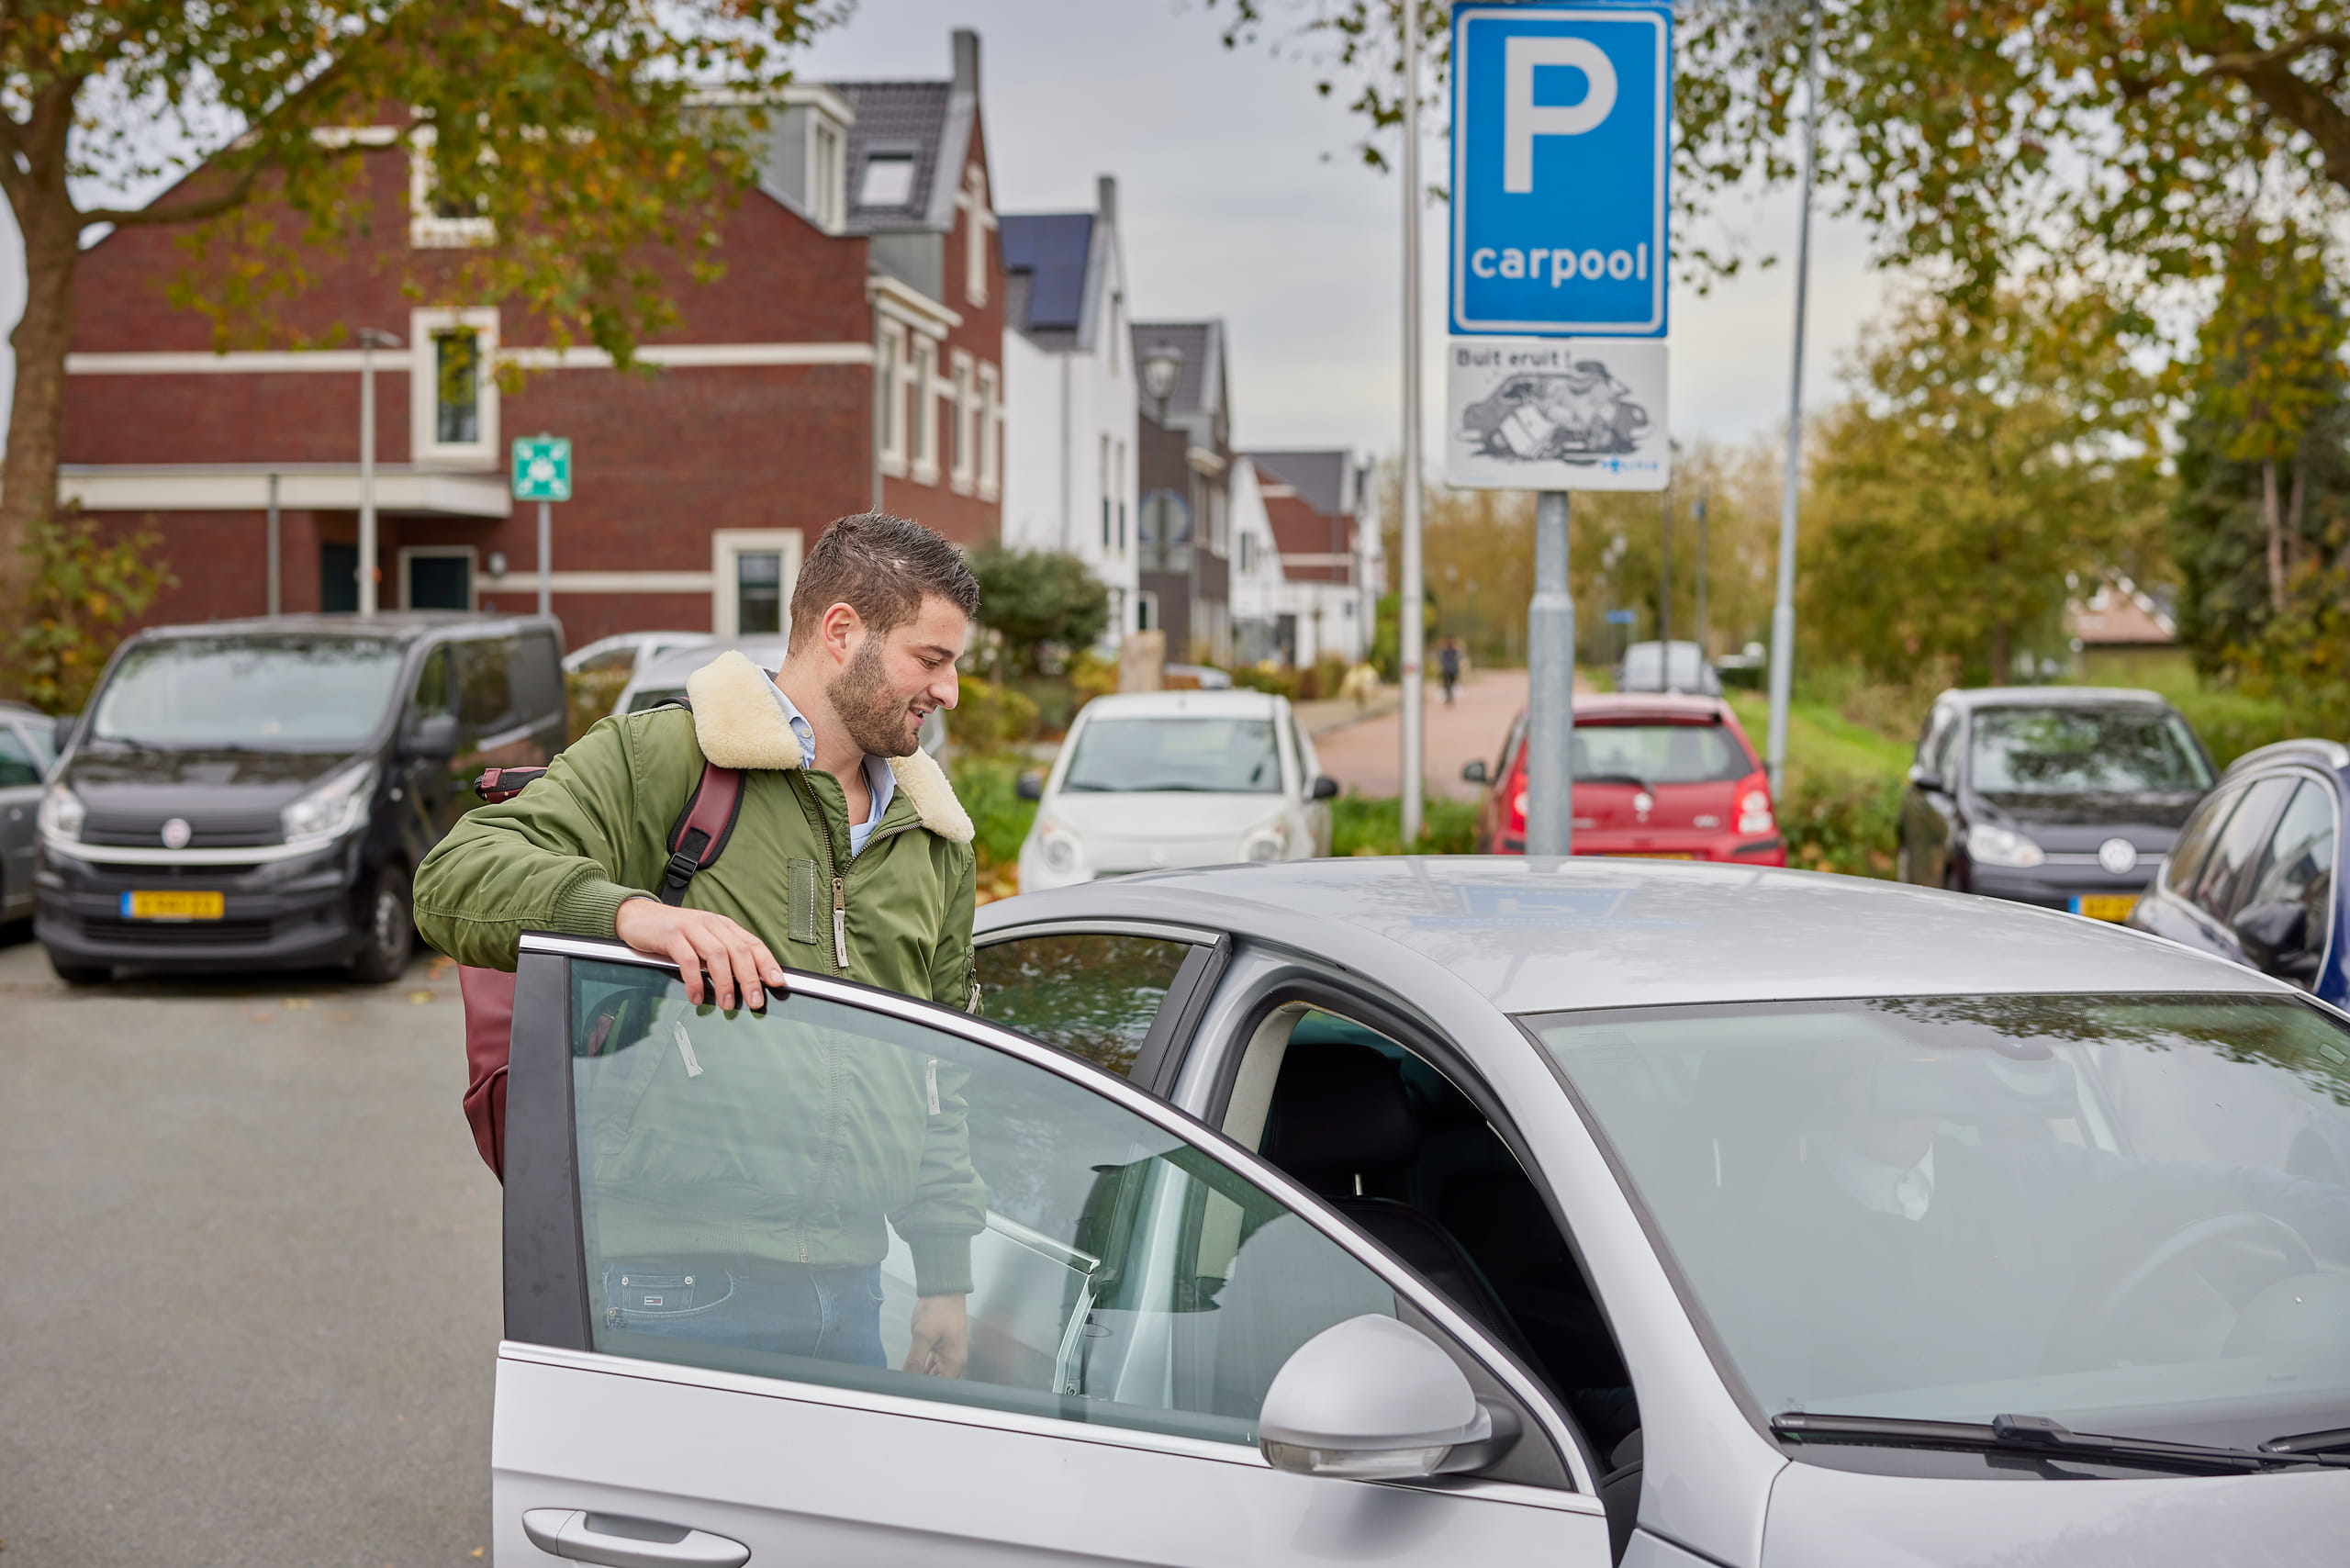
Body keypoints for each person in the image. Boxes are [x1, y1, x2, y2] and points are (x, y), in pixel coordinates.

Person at [414, 512, 986, 1379]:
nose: (949, 692)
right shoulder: (665, 758)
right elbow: (453, 878)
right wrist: (630, 915)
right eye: (931, 659)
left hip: (854, 1288)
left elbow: (941, 1069)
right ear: (841, 632)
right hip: (671, 1283)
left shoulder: (935, 835)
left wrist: (944, 1275)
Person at [1438, 637, 1461, 706]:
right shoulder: (1445, 652)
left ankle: (1450, 697)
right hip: (1446, 670)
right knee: (1446, 685)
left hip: (1453, 670)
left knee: (1451, 684)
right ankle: (1449, 697)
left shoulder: (1455, 652)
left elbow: (1459, 656)